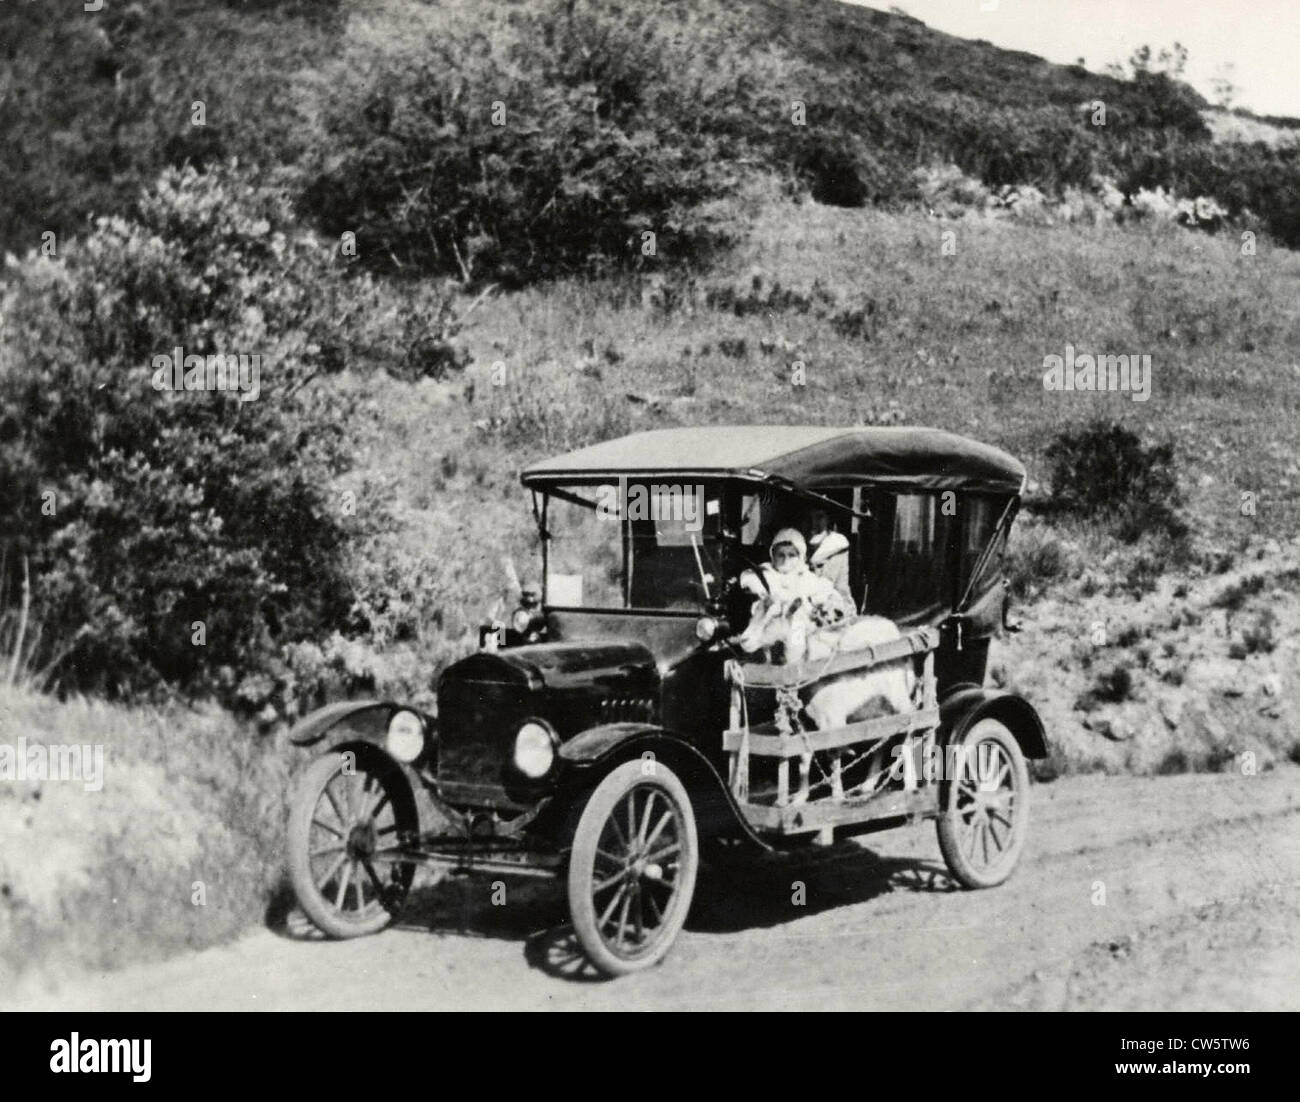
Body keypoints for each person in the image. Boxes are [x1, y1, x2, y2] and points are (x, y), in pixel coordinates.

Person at [739, 527, 847, 626]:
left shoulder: (806, 577)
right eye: (781, 555)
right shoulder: (764, 574)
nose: (786, 560)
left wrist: (826, 606)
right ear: (773, 555)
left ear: (800, 557)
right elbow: (750, 583)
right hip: (771, 629)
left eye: (791, 555)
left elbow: (829, 594)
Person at [806, 508, 855, 609]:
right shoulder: (802, 543)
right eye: (810, 518)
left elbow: (827, 582)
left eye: (819, 517)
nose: (814, 522)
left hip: (836, 604)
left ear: (828, 519)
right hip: (811, 603)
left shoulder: (836, 544)